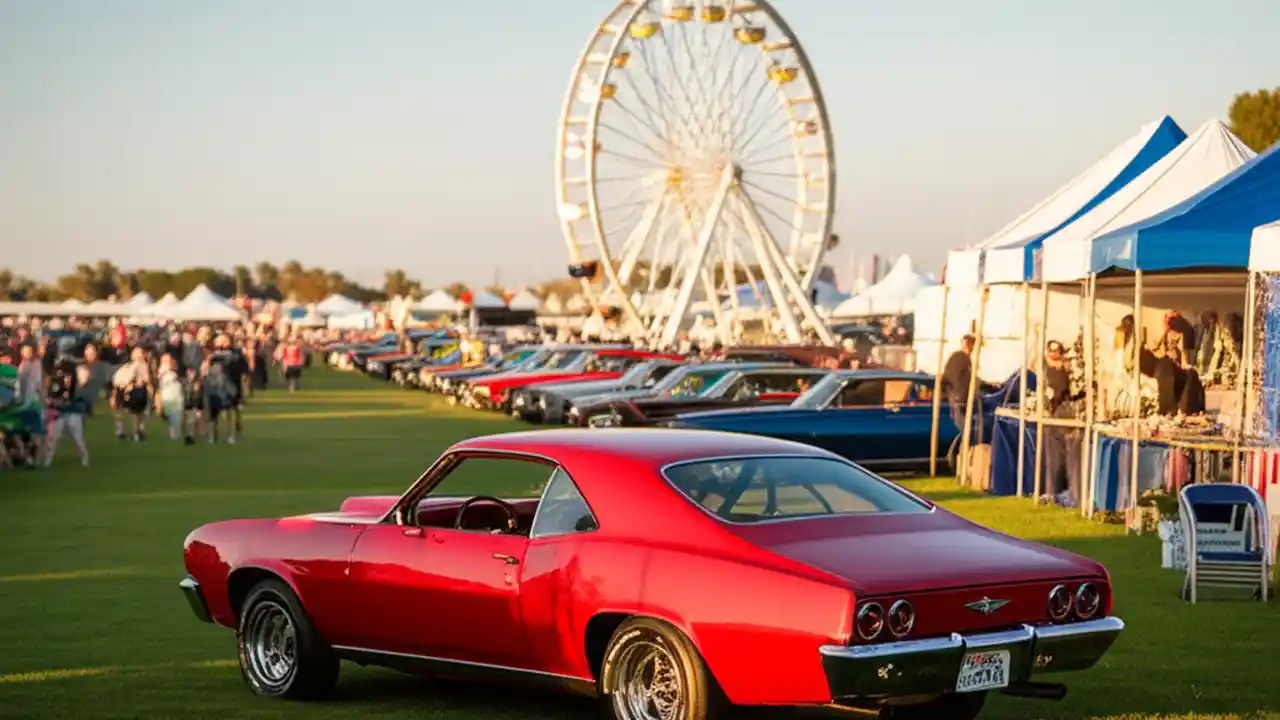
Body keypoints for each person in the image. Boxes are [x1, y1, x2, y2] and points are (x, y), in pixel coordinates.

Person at [44, 357, 90, 467]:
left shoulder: (76, 385)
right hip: (59, 414)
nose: (66, 378)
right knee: (53, 437)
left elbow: (82, 388)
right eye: (63, 374)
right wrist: (53, 402)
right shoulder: (55, 383)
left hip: (73, 412)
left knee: (78, 438)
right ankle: (49, 457)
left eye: (68, 375)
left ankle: (84, 457)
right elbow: (50, 398)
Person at [111, 347, 152, 441]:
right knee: (135, 412)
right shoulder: (129, 365)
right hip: (130, 390)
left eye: (141, 352)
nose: (139, 355)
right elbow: (146, 379)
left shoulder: (135, 365)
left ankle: (130, 432)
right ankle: (135, 432)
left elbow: (145, 379)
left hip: (128, 389)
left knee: (132, 412)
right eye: (136, 352)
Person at [941, 335, 975, 433]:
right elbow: (954, 377)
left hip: (957, 395)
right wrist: (958, 395)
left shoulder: (962, 358)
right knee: (959, 421)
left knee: (959, 419)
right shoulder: (960, 358)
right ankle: (961, 439)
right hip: (957, 397)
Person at [155, 354, 185, 441]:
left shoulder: (175, 369)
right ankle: (174, 435)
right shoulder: (163, 370)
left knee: (177, 416)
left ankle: (176, 434)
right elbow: (161, 381)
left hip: (177, 396)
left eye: (168, 359)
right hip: (168, 396)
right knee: (173, 416)